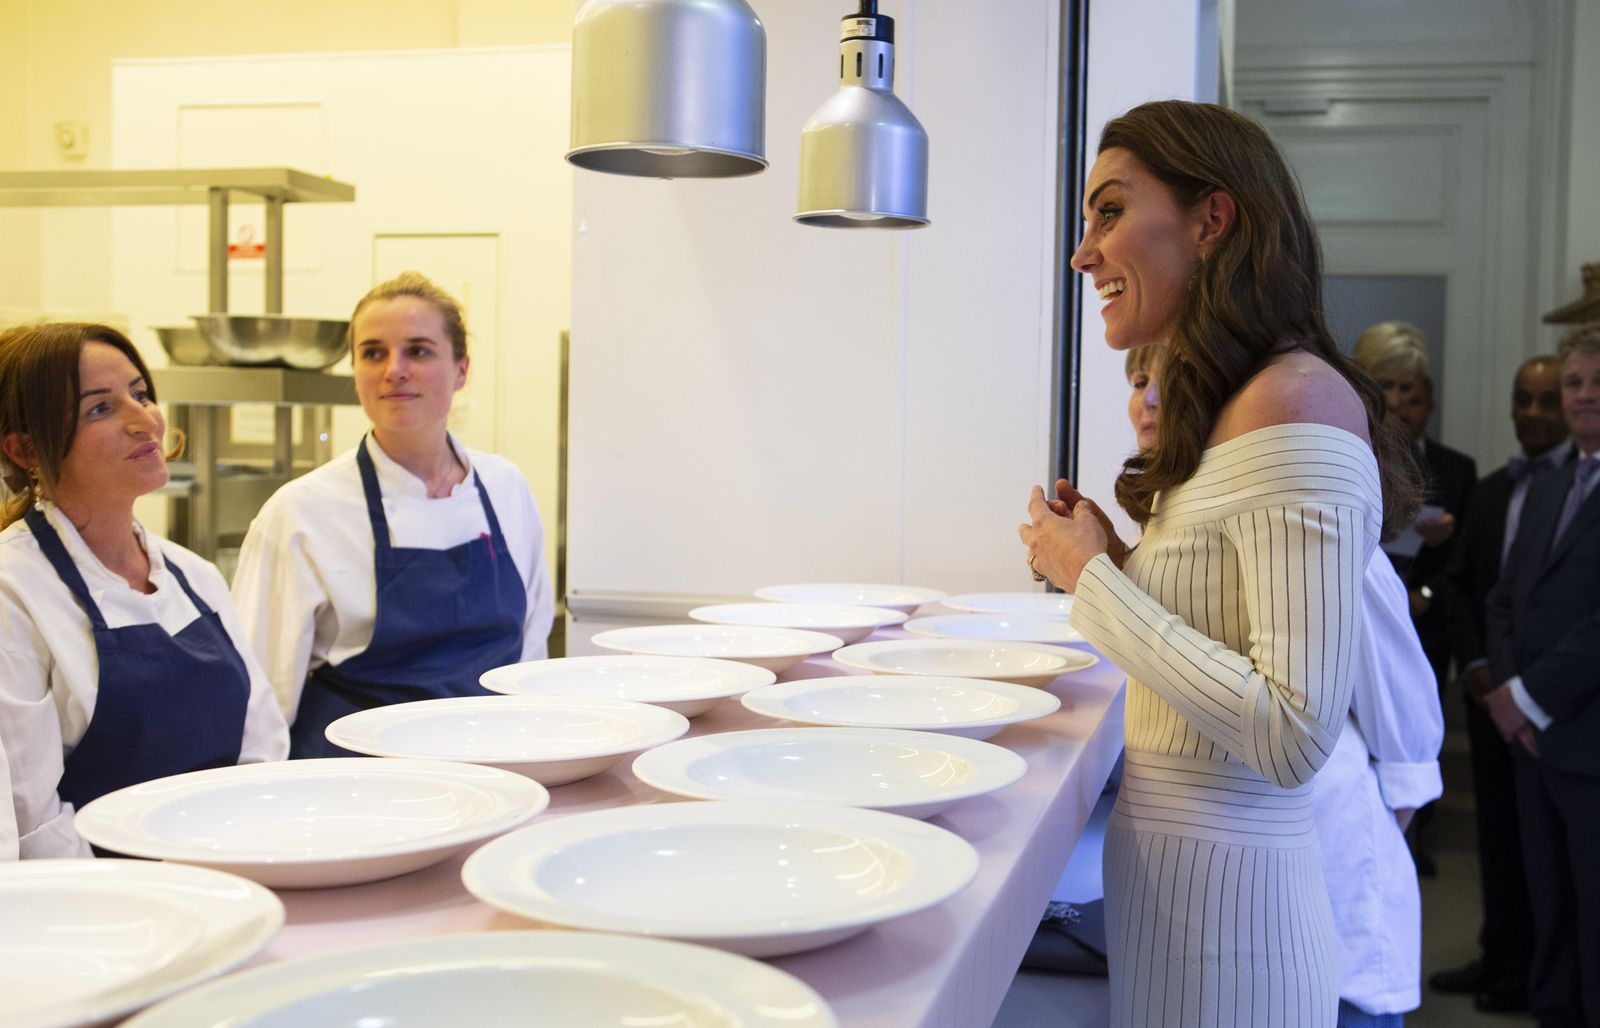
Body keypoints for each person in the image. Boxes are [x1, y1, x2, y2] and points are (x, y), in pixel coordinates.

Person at [1019, 100, 1423, 1028]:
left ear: (1213, 219)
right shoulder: (1249, 406)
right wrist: (1116, 561)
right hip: (1188, 908)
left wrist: (1094, 580)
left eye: (1109, 212)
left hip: (1236, 932)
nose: (1083, 252)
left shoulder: (1295, 402)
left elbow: (1291, 733)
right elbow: (1214, 646)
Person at [1121, 344, 1443, 1027]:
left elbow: (1408, 733)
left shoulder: (1314, 525)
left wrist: (1367, 837)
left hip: (1328, 854)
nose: (1146, 400)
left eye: (1168, 382)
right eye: (1138, 380)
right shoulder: (1179, 518)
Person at [232, 272, 555, 758]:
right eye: (373, 353)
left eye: (418, 351)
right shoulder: (301, 512)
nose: (394, 370)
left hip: (496, 758)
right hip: (361, 782)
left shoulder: (504, 486)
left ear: (462, 369)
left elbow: (531, 653)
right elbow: (261, 699)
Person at [0, 322, 287, 858]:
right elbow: (30, 821)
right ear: (25, 449)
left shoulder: (193, 576)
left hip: (235, 870)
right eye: (100, 409)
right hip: (106, 909)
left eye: (140, 394)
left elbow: (262, 745)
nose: (145, 421)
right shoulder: (13, 591)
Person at [1430, 354, 1570, 1012]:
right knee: (1498, 837)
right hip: (1489, 696)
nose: (1535, 414)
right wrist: (1483, 671)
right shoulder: (1489, 490)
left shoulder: (1580, 487)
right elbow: (1463, 590)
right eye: (1525, 399)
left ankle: (1539, 973)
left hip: (1554, 706)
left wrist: (1525, 688)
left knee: (1548, 850)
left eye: (1550, 400)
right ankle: (1500, 956)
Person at [1483, 323, 1600, 1028]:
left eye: (1597, 383)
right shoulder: (1553, 485)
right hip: (1532, 746)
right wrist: (1508, 699)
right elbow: (1503, 597)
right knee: (1548, 907)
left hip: (1588, 744)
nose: (1584, 396)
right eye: (1576, 382)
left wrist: (1525, 698)